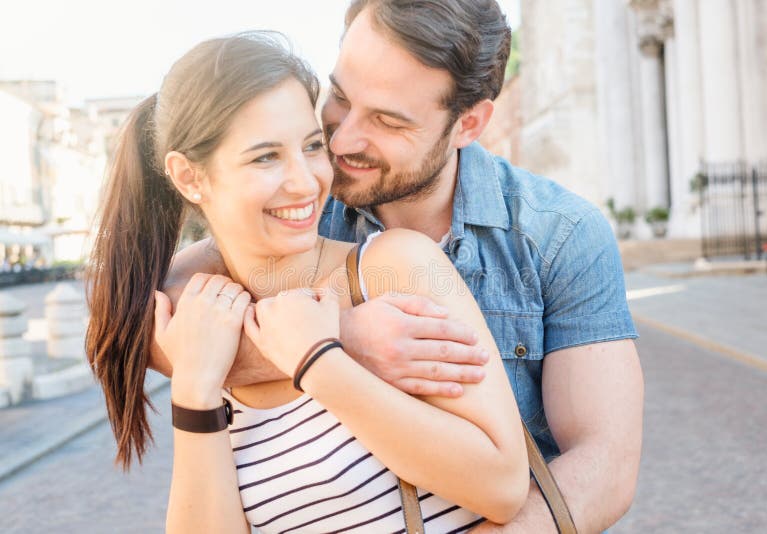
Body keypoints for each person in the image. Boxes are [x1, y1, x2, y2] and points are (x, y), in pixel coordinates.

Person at [160, 1, 645, 532]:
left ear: (468, 123)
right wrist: (349, 337)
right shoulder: (296, 209)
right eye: (341, 97)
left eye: (388, 121)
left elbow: (604, 470)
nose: (341, 142)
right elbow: (144, 321)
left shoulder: (558, 235)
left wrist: (324, 349)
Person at [86, 31, 530, 533]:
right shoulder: (199, 327)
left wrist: (318, 360)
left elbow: (504, 487)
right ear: (190, 178)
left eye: (312, 146)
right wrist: (195, 388)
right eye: (265, 157)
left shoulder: (398, 266)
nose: (306, 181)